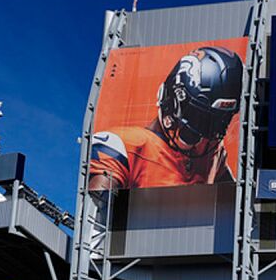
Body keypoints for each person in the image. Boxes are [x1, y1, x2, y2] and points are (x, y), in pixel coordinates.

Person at [88, 46, 244, 190]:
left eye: (217, 123)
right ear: (174, 99)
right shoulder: (123, 147)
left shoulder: (211, 149)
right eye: (200, 118)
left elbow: (232, 203)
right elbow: (98, 213)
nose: (205, 134)